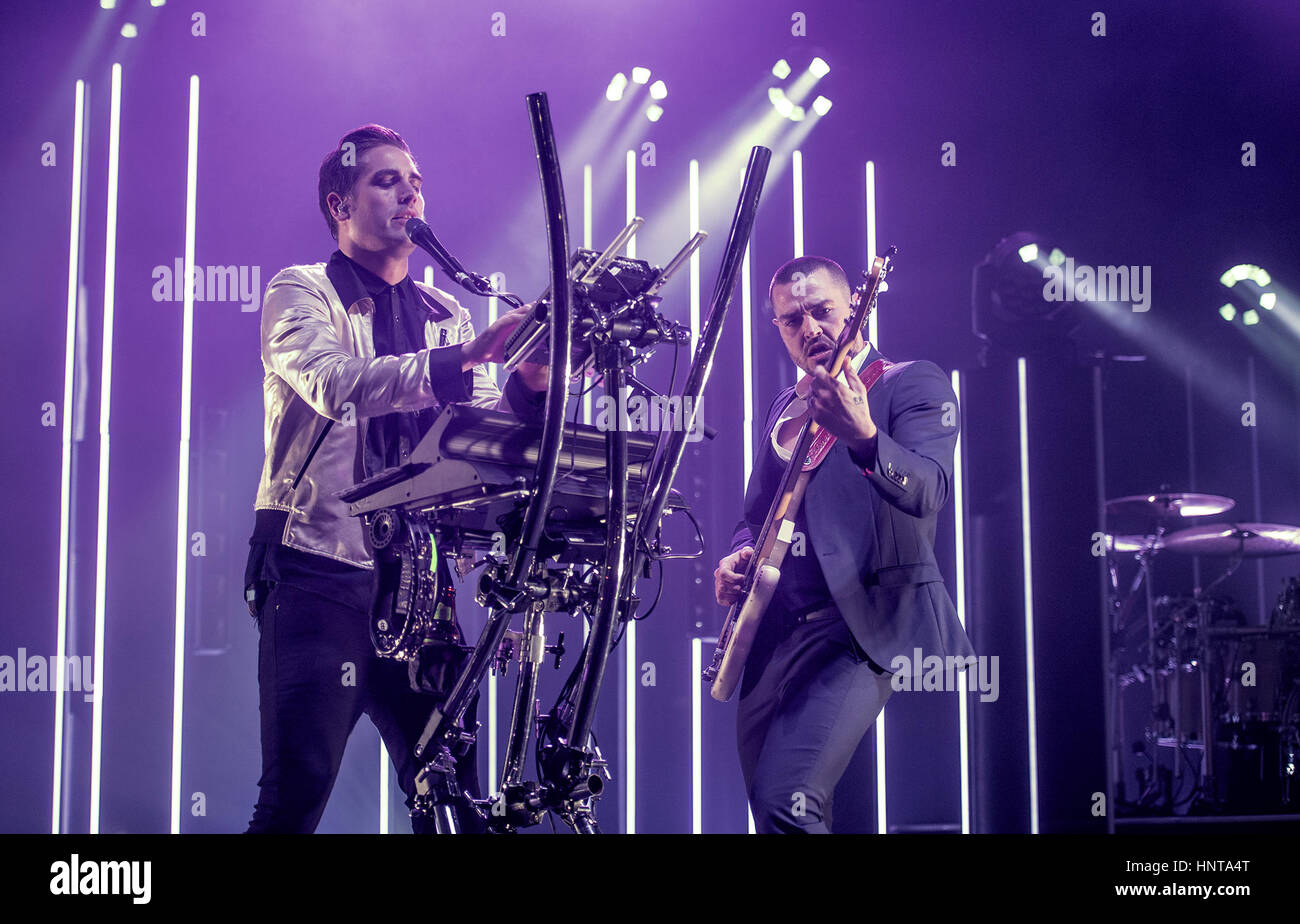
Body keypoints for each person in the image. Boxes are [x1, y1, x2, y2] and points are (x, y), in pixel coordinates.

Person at [244, 124, 547, 833]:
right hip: (318, 573)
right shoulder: (299, 291)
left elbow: (472, 448)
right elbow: (333, 382)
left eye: (415, 179)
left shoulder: (447, 313)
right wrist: (463, 361)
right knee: (298, 787)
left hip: (421, 584)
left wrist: (530, 386)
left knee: (456, 801)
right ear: (338, 205)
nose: (409, 189)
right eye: (385, 179)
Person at [714, 255, 975, 833]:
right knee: (774, 806)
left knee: (788, 799)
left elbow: (929, 490)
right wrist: (737, 554)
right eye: (791, 320)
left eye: (821, 311)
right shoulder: (786, 406)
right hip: (774, 631)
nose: (809, 328)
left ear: (858, 307)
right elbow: (756, 514)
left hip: (855, 627)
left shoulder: (912, 381)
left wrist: (865, 438)